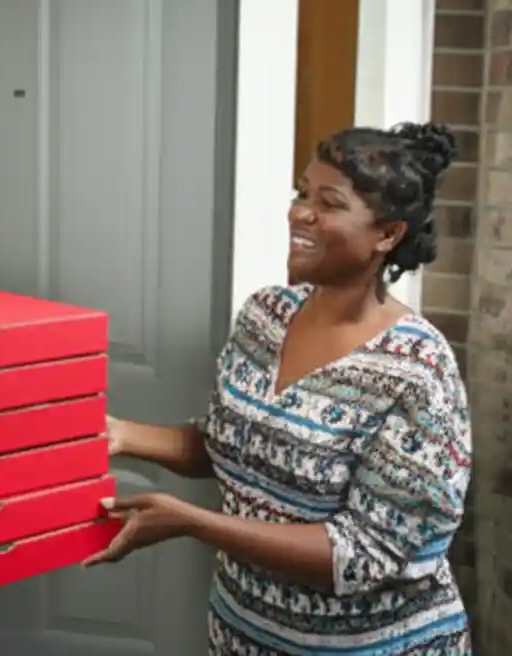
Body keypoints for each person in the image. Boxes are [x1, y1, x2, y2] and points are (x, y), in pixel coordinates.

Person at [86, 122, 473, 655]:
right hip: (245, 635)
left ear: (387, 234)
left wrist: (194, 523)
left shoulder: (416, 369)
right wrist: (119, 434)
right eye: (302, 193)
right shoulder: (265, 316)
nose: (300, 212)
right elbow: (234, 450)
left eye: (329, 202)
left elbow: (364, 555)